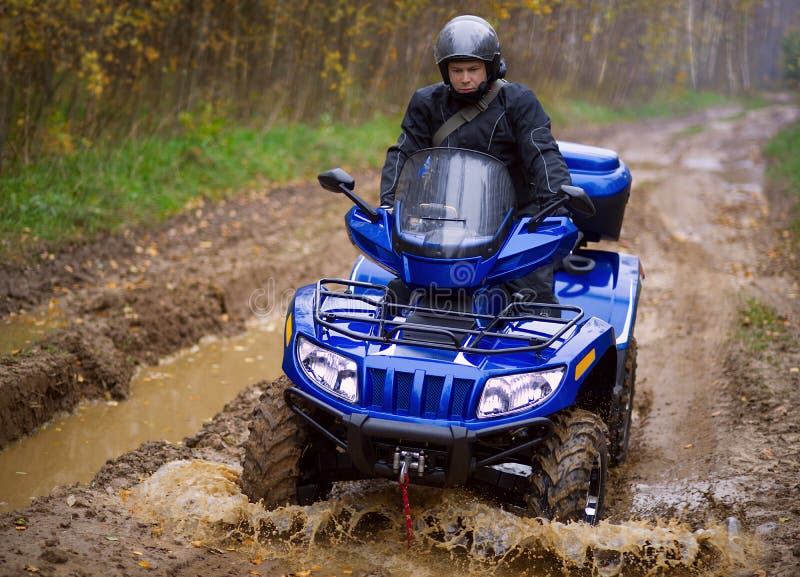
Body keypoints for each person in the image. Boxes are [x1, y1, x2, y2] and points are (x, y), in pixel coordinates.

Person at [380, 14, 571, 307]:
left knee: (537, 306)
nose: (465, 78)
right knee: (395, 298)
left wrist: (557, 206)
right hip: (441, 220)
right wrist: (388, 204)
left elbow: (542, 153)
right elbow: (404, 153)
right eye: (457, 70)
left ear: (490, 67)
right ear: (445, 71)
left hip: (514, 224)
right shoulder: (427, 103)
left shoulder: (517, 101)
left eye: (473, 69)